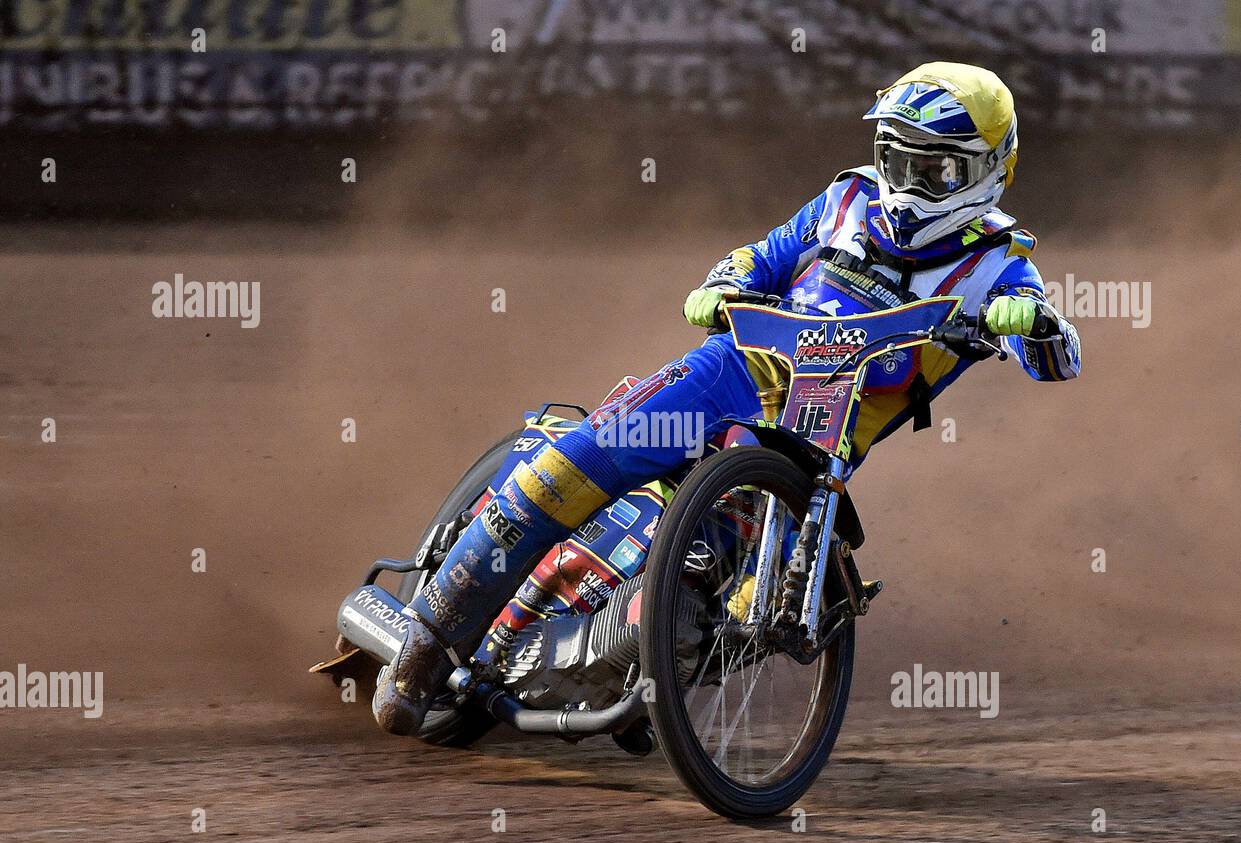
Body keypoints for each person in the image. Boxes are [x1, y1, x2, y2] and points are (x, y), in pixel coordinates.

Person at [373, 61, 1082, 735]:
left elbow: (1057, 360)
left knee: (692, 610)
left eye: (930, 168)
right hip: (734, 370)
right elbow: (762, 255)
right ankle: (426, 645)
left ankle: (626, 677)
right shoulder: (847, 199)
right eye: (895, 158)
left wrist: (1037, 325)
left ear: (988, 170)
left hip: (809, 445)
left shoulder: (1001, 264)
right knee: (581, 461)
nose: (904, 180)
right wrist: (721, 281)